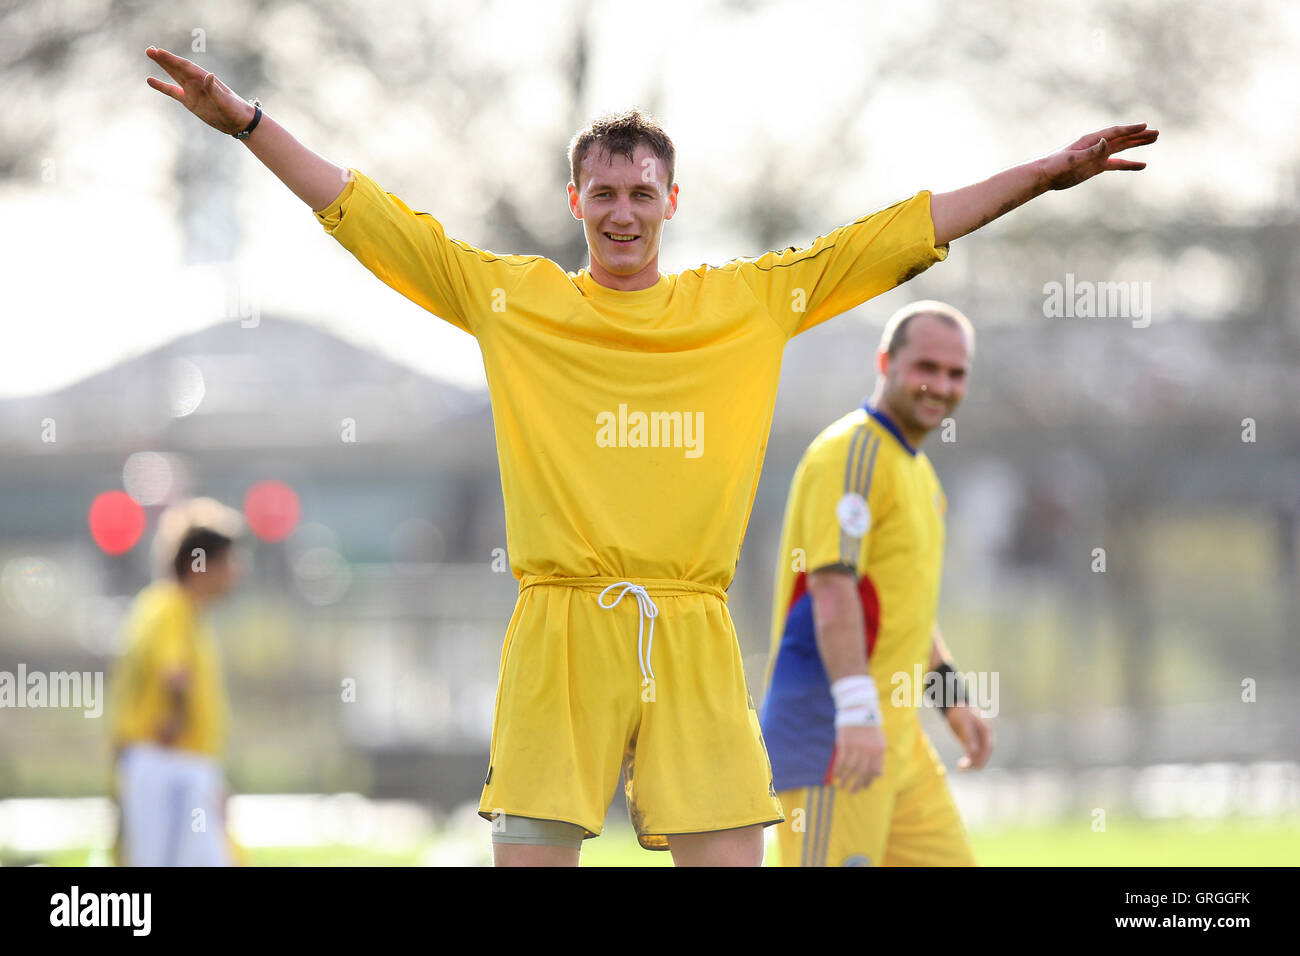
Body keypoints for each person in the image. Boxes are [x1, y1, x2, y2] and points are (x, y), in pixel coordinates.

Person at [144, 45, 1156, 866]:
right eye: (602, 192)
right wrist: (247, 124)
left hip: (691, 629)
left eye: (639, 191)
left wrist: (1045, 174)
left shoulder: (747, 301)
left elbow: (900, 233)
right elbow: (364, 218)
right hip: (559, 630)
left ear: (672, 203)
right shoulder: (515, 299)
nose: (621, 211)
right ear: (575, 201)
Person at [761, 301, 993, 866]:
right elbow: (833, 590)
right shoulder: (853, 451)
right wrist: (858, 712)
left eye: (955, 373)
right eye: (926, 367)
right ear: (885, 361)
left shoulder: (919, 473)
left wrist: (950, 697)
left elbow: (902, 605)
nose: (940, 385)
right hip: (834, 735)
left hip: (897, 741)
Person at [109, 497, 244, 866]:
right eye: (228, 561)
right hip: (170, 764)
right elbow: (175, 675)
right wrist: (176, 724)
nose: (235, 572)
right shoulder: (173, 608)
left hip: (176, 764)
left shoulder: (174, 610)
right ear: (199, 564)